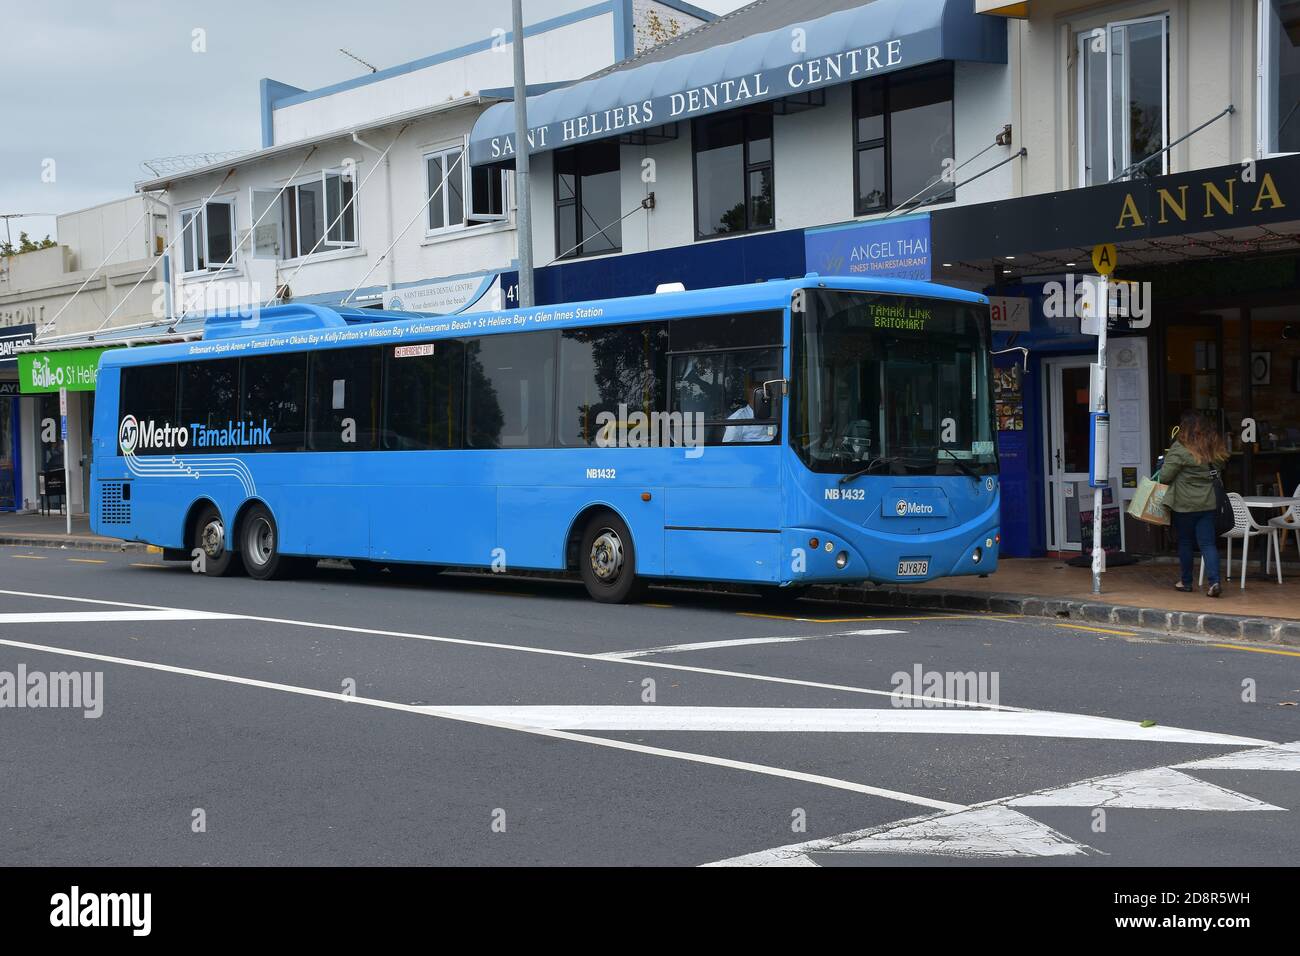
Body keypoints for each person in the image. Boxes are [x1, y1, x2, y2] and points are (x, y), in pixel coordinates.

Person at [1161, 410, 1229, 598]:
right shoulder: (1214, 450)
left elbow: (1165, 476)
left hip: (1184, 504)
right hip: (1208, 502)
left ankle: (1186, 582)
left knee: (1185, 542)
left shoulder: (1180, 449)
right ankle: (1214, 581)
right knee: (1208, 543)